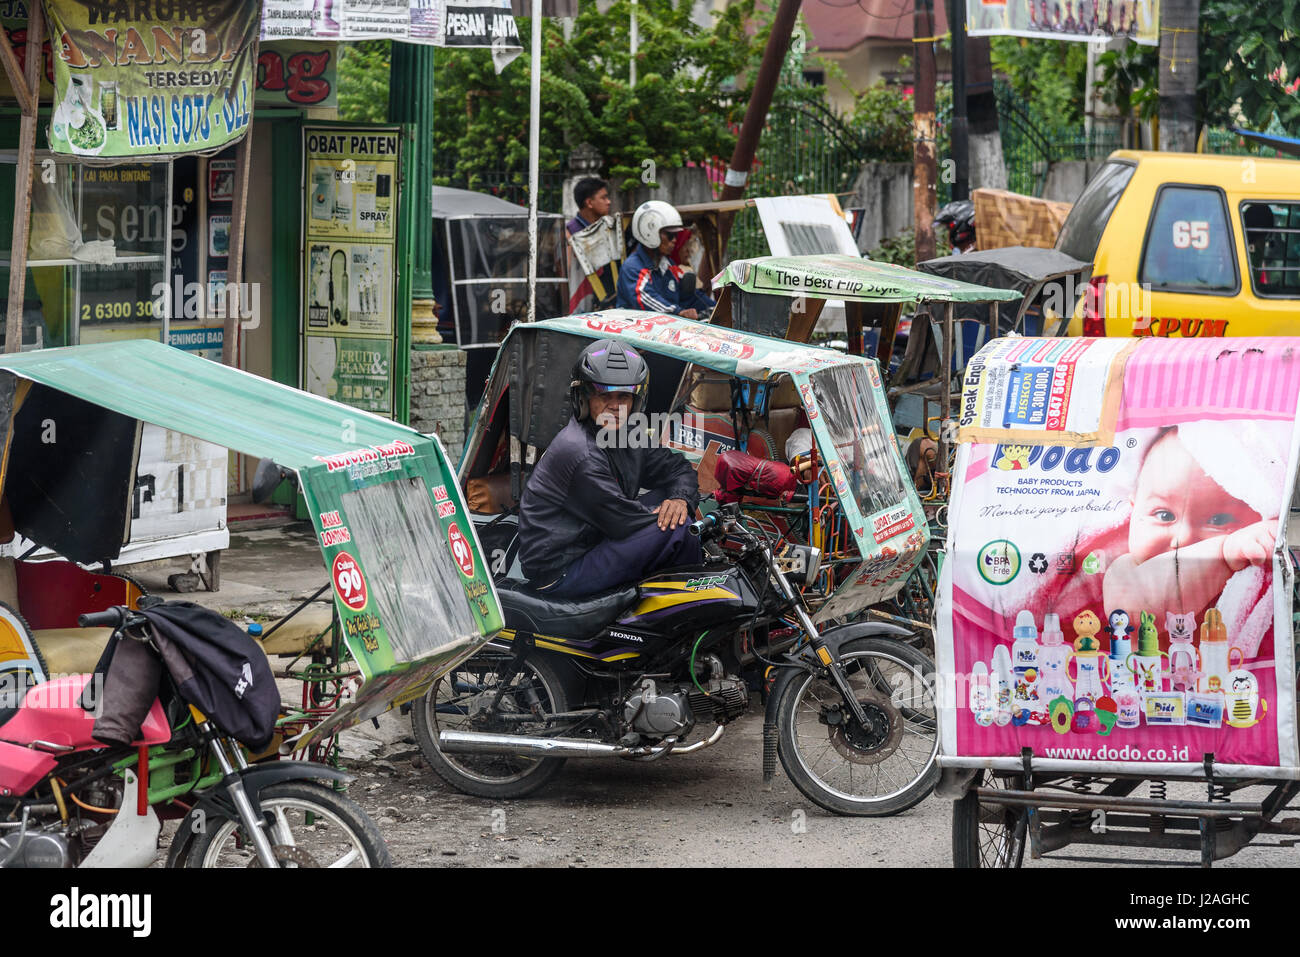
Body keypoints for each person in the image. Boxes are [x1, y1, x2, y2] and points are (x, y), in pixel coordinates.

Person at [517, 339, 703, 598]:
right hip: (560, 572)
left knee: (673, 502)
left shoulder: (626, 434)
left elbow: (678, 469)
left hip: (594, 542)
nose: (615, 406)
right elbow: (624, 522)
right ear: (583, 398)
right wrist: (681, 513)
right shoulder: (578, 451)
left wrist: (681, 499)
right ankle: (689, 612)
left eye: (624, 397)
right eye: (605, 396)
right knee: (679, 528)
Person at [616, 200, 716, 317]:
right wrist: (678, 312)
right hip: (635, 329)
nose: (674, 240)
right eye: (670, 235)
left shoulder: (668, 265)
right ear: (649, 232)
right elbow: (647, 299)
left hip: (665, 330)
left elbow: (690, 296)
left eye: (676, 235)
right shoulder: (633, 267)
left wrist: (715, 307)